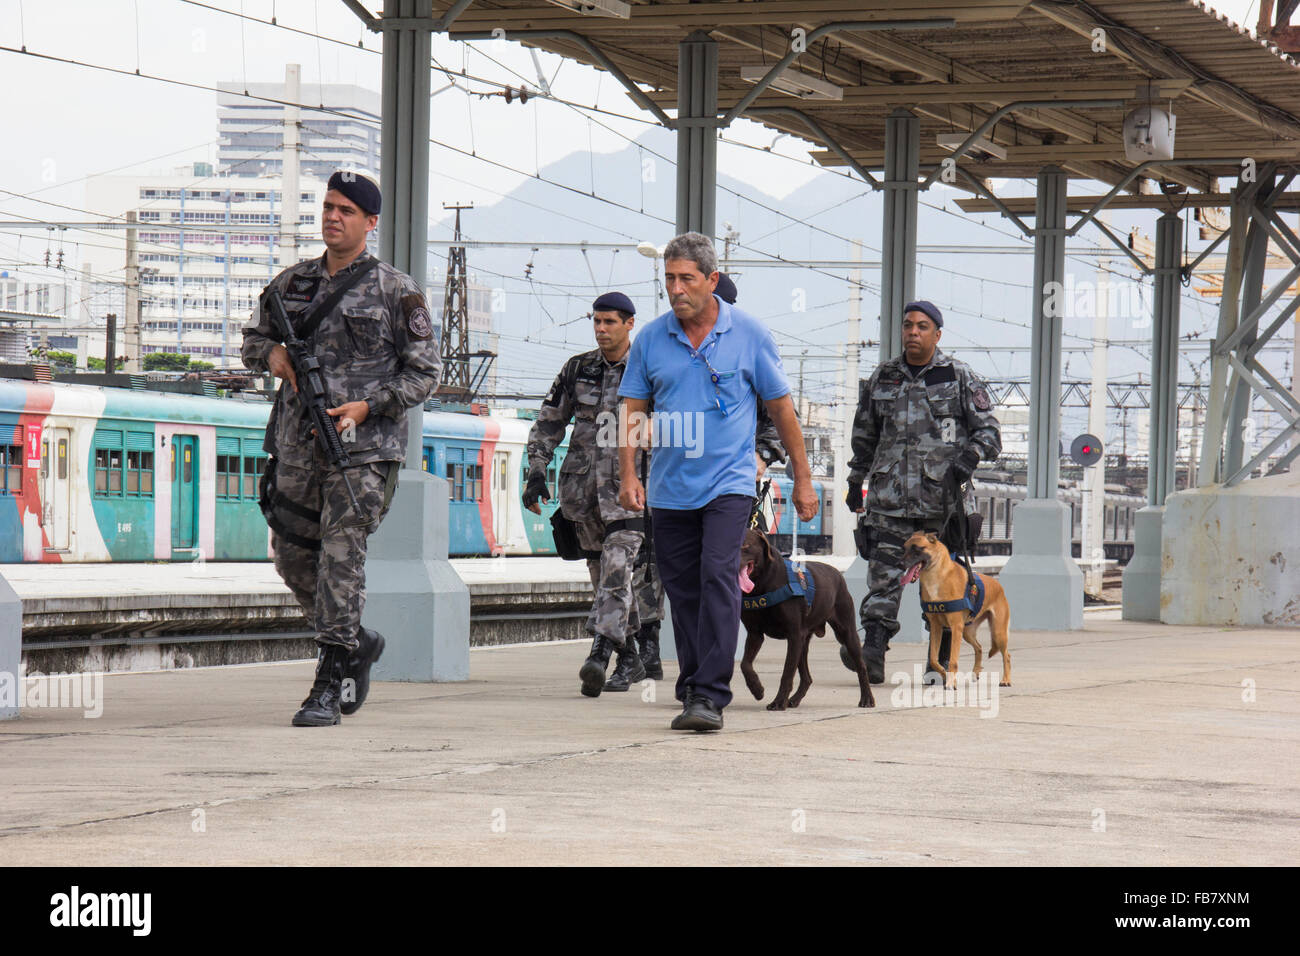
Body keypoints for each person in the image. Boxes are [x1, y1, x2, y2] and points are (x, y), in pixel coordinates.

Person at [241, 170, 441, 727]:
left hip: (362, 451)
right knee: (291, 558)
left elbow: (424, 374)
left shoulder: (397, 292)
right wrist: (271, 356)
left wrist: (368, 406)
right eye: (329, 207)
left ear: (370, 223)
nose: (334, 216)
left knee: (340, 558)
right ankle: (355, 641)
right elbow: (252, 341)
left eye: (347, 210)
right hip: (296, 445)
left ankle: (329, 679)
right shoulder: (291, 284)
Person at [618, 232, 817, 732]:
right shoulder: (651, 339)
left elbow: (781, 410)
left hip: (728, 485)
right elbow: (634, 411)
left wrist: (803, 478)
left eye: (687, 278)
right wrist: (627, 473)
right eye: (668, 278)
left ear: (712, 280)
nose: (676, 288)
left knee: (717, 578)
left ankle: (709, 693)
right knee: (682, 591)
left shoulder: (749, 334)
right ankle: (694, 683)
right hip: (668, 488)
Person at [843, 300, 1000, 683]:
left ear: (937, 334)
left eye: (922, 326)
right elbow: (865, 435)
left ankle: (941, 660)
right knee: (883, 579)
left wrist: (969, 458)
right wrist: (854, 479)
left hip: (942, 505)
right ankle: (874, 651)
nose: (913, 332)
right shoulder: (883, 377)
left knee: (943, 586)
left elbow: (990, 432)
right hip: (889, 501)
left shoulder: (960, 376)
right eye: (908, 325)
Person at [525, 292, 650, 697]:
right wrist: (536, 472)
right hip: (583, 494)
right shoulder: (577, 369)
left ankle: (598, 653)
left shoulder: (648, 370)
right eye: (596, 322)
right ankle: (630, 657)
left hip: (631, 492)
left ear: (629, 323)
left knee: (617, 569)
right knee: (606, 581)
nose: (601, 329)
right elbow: (548, 423)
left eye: (610, 322)